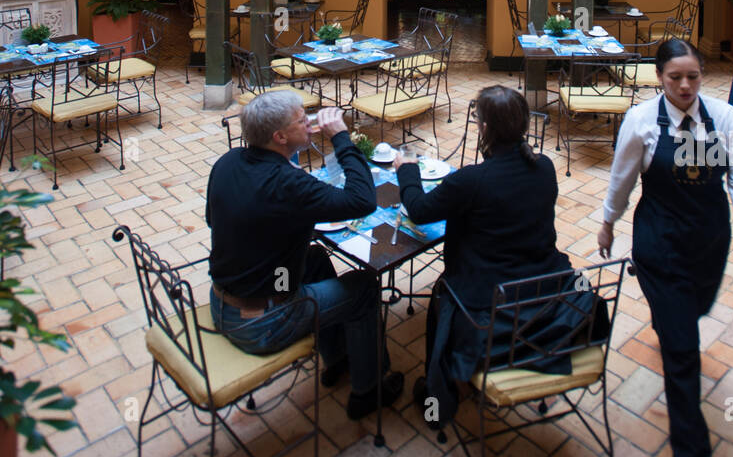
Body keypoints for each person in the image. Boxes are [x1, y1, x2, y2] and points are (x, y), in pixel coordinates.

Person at [597, 37, 733, 457]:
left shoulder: (724, 119)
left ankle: (674, 329)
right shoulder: (642, 122)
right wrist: (608, 222)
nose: (686, 86)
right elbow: (622, 178)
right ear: (659, 78)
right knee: (683, 355)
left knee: (688, 320)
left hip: (709, 244)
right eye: (675, 78)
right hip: (659, 245)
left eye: (693, 76)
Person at [396, 85, 607, 428]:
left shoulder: (471, 181)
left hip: (490, 308)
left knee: (441, 295)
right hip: (545, 292)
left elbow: (418, 210)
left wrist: (406, 169)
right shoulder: (545, 168)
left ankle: (438, 396)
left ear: (484, 128)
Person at [207, 90, 403, 420]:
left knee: (314, 259)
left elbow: (218, 220)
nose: (310, 123)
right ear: (279, 136)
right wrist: (340, 137)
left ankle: (338, 358)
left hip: (223, 301)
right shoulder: (288, 183)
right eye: (302, 120)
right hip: (260, 324)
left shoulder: (227, 162)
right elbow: (362, 201)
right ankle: (369, 390)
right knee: (365, 286)